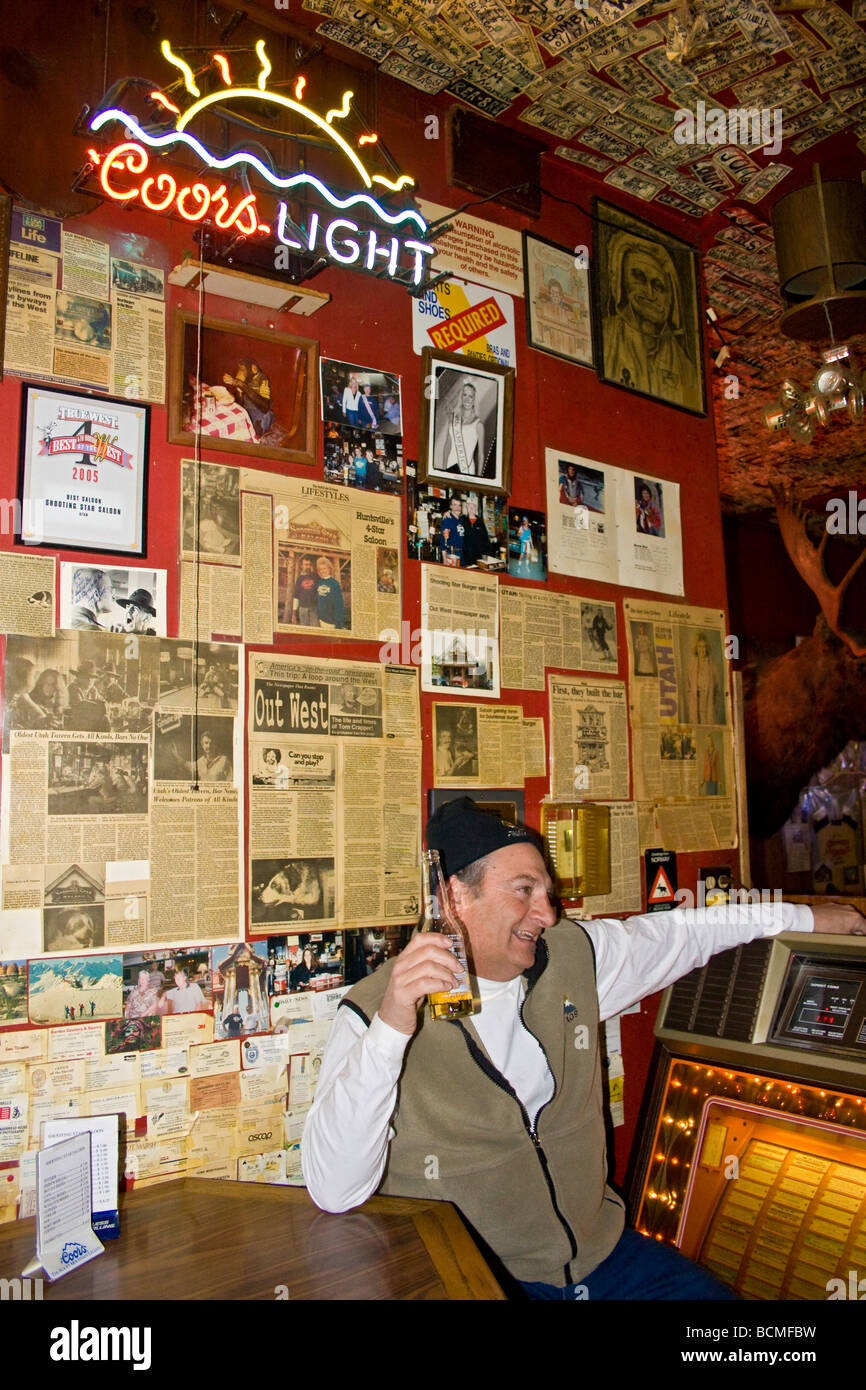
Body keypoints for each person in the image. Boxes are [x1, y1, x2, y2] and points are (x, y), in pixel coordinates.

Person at [302, 797, 866, 1299]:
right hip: (486, 1278)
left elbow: (686, 934)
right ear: (454, 896)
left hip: (605, 1256)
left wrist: (806, 917)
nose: (547, 914)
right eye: (524, 892)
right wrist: (394, 1026)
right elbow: (334, 1189)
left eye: (546, 893)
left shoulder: (572, 956)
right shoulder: (373, 1008)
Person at [603, 232, 698, 410]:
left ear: (670, 298)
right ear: (622, 282)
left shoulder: (685, 368)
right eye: (638, 277)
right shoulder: (605, 337)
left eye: (658, 286)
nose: (650, 292)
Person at [222, 359, 274, 438]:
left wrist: (241, 384)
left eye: (242, 370)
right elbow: (240, 404)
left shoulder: (262, 378)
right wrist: (239, 389)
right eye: (239, 369)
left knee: (255, 428)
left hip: (261, 412)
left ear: (253, 369)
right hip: (248, 410)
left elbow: (265, 407)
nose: (240, 372)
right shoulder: (246, 379)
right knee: (233, 421)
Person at [442, 380, 484, 476]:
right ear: (461, 397)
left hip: (467, 470)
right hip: (450, 466)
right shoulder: (453, 419)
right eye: (465, 395)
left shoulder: (478, 425)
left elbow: (481, 454)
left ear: (474, 400)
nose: (467, 399)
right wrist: (443, 471)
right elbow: (447, 446)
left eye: (470, 396)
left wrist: (479, 479)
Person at [687, 631, 721, 725]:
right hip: (695, 709)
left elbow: (717, 690)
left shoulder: (712, 666)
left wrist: (714, 707)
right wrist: (691, 706)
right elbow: (688, 689)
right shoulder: (691, 667)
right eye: (699, 647)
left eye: (704, 647)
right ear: (696, 648)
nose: (702, 650)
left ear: (707, 648)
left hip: (708, 708)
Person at [460, 497, 496, 569]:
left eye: (473, 506)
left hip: (478, 560)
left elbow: (486, 541)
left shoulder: (480, 522)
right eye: (469, 506)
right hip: (465, 559)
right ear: (466, 507)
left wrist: (485, 559)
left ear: (476, 508)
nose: (471, 508)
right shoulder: (462, 520)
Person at [315, 556, 345, 629]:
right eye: (320, 569)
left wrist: (338, 623)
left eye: (324, 568)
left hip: (331, 621)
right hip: (321, 619)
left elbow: (339, 605)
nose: (323, 571)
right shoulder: (319, 582)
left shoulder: (334, 583)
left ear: (329, 569)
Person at [291, 556, 319, 627]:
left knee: (315, 629)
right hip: (302, 609)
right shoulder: (299, 579)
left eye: (309, 565)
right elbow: (296, 596)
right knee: (304, 628)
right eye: (306, 565)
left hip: (314, 608)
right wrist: (294, 613)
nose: (308, 567)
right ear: (302, 566)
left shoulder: (315, 576)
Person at [439, 497, 465, 562]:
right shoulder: (447, 519)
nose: (457, 508)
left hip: (463, 554)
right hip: (452, 553)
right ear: (451, 506)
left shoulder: (462, 520)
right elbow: (443, 540)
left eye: (459, 505)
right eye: (455, 505)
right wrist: (444, 559)